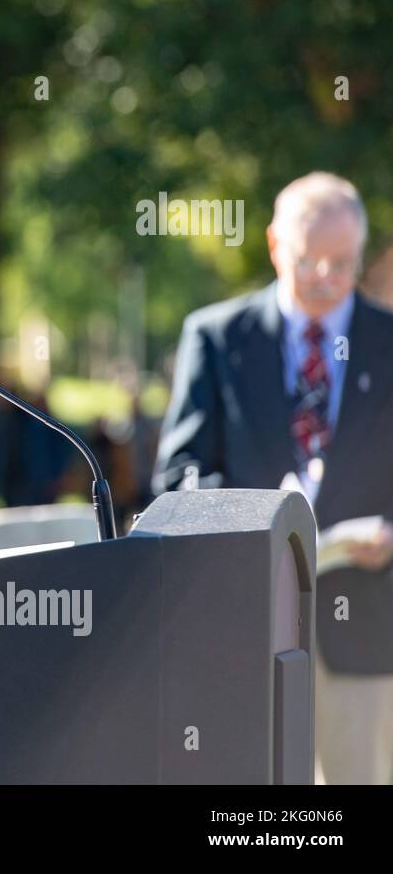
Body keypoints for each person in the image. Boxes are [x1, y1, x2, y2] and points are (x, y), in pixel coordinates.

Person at [153, 171, 393, 784]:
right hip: (245, 622)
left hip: (364, 628)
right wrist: (252, 513)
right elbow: (176, 479)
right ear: (272, 245)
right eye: (307, 259)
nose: (323, 277)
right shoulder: (215, 337)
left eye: (340, 263)